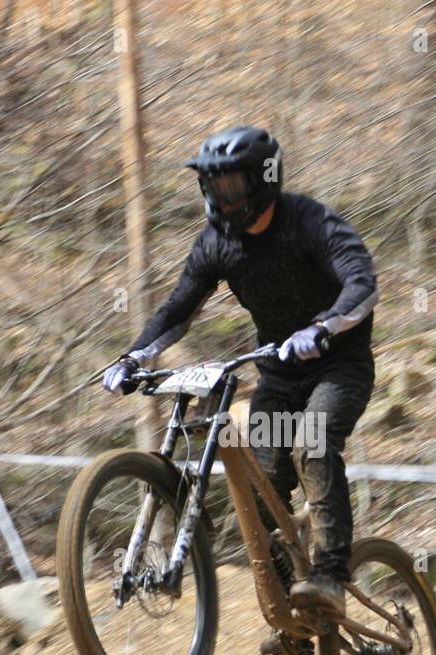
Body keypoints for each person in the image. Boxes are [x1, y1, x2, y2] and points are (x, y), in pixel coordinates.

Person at [102, 125, 378, 616]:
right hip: (278, 374)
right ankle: (285, 600)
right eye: (211, 186)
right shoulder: (216, 244)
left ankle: (331, 575)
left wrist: (322, 327)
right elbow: (177, 310)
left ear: (262, 180)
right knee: (261, 482)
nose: (219, 197)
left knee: (312, 444)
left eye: (228, 185)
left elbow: (362, 282)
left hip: (339, 366)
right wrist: (134, 356)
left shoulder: (310, 222)